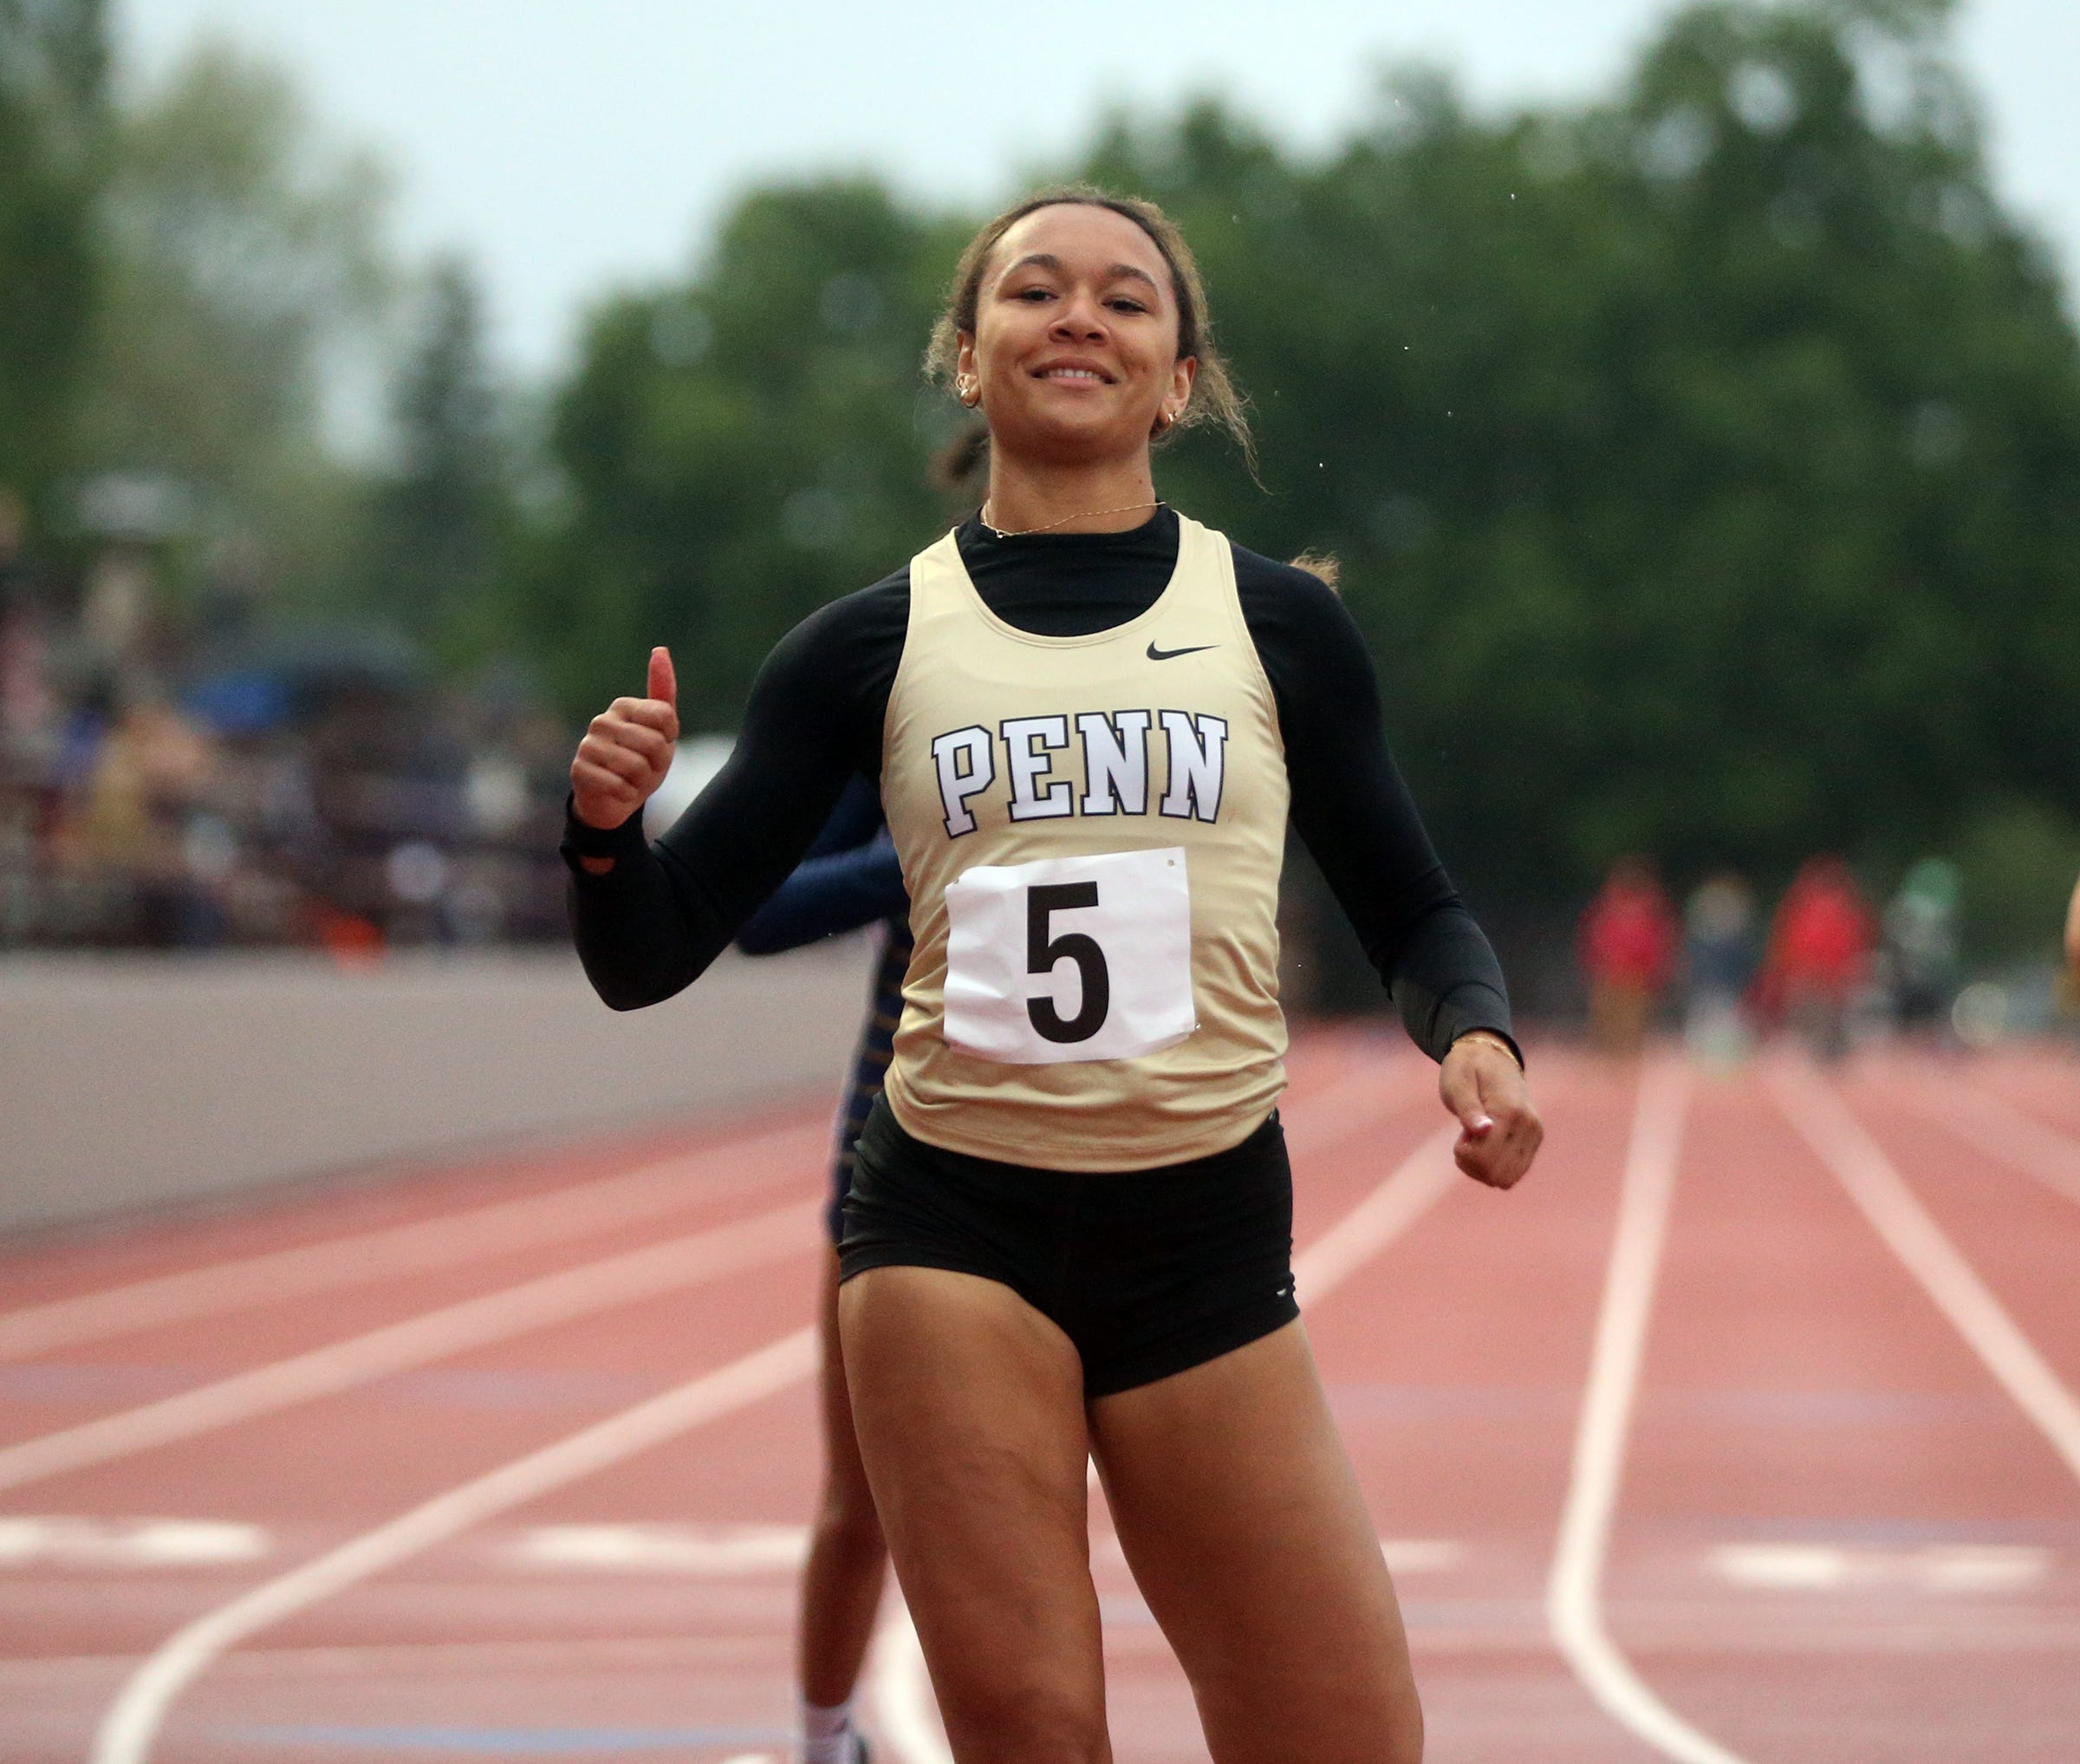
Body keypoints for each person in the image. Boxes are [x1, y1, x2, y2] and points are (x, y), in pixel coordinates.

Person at [562, 186, 1542, 1764]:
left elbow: (1415, 911)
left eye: (1125, 298)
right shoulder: (863, 649)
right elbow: (652, 949)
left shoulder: (1280, 627)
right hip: (953, 1229)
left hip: (1205, 1238)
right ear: (968, 357)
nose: (1078, 314)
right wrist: (603, 834)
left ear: (1178, 380)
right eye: (1034, 289)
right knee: (1031, 1734)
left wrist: (1476, 1037)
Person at [735, 777, 908, 1764]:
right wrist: (929, 846)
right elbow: (762, 908)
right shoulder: (899, 711)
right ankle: (825, 1746)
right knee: (863, 1500)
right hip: (898, 1152)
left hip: (1125, 1154)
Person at [1755, 855, 1875, 1061]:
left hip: (1818, 979)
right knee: (1813, 1029)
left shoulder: (1803, 905)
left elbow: (1785, 945)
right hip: (1817, 979)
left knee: (1816, 1030)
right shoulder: (1835, 907)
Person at [1576, 856, 1679, 1055]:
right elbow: (1593, 940)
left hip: (1636, 976)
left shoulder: (1649, 909)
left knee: (1630, 1029)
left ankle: (1626, 1064)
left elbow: (1660, 943)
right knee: (1606, 1029)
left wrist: (1656, 973)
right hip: (1610, 974)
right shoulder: (1610, 907)